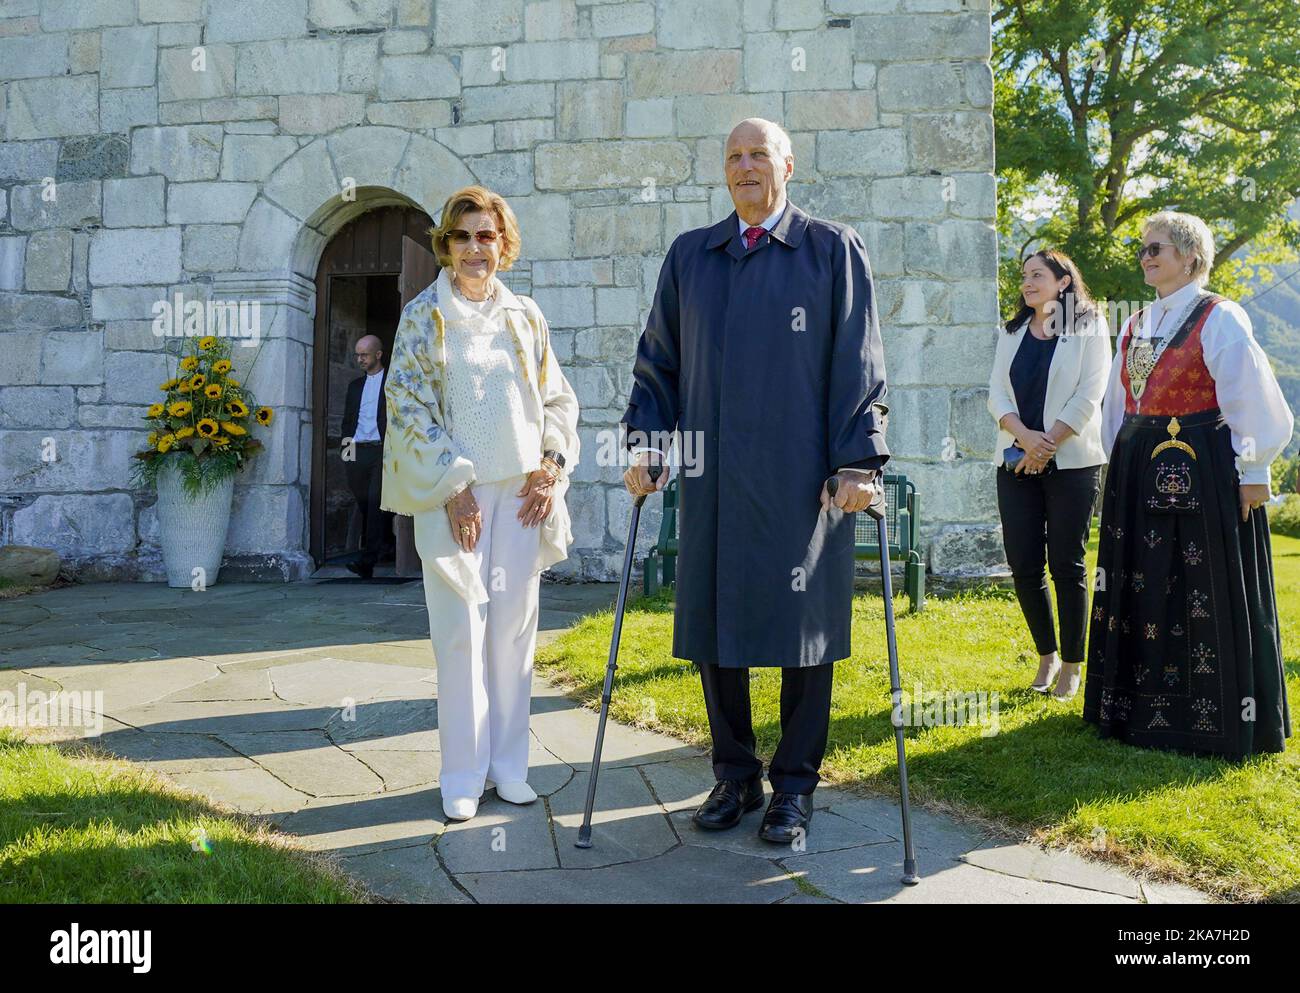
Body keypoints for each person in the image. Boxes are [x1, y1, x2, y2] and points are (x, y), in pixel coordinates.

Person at [622, 118, 889, 844]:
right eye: (733, 155)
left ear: (788, 166)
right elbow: (659, 362)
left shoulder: (831, 249)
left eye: (758, 155)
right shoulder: (691, 256)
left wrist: (859, 462)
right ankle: (735, 773)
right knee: (717, 621)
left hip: (805, 478)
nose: (745, 167)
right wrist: (646, 442)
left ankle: (794, 786)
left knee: (807, 630)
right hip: (712, 477)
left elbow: (858, 362)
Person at [381, 185, 581, 820]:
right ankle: (462, 776)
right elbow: (406, 407)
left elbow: (558, 401)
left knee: (514, 635)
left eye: (486, 236)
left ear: (504, 244)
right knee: (461, 634)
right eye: (463, 236)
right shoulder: (422, 316)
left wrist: (551, 466)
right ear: (446, 244)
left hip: (522, 494)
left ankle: (510, 767)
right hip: (454, 498)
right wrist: (456, 486)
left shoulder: (525, 316)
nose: (475, 248)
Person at [1084, 210, 1293, 758]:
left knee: (1202, 584)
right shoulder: (1135, 322)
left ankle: (1209, 720)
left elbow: (1252, 399)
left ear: (1190, 258)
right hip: (1137, 471)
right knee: (1140, 582)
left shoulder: (1221, 317)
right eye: (1144, 249)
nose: (1146, 257)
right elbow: (1117, 406)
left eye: (1157, 248)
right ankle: (1132, 711)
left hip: (1203, 470)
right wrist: (1119, 465)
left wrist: (1253, 472)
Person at [988, 250, 1110, 700]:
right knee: (1023, 564)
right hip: (1016, 460)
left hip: (1073, 463)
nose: (1027, 282)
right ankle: (1046, 656)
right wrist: (1024, 438)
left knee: (1067, 564)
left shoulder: (1090, 325)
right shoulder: (1013, 330)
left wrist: (1048, 443)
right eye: (1024, 276)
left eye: (1037, 275)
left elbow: (1090, 392)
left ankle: (1074, 666)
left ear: (1063, 282)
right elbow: (996, 393)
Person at [341, 334, 392, 578]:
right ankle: (386, 544)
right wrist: (346, 454)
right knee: (363, 501)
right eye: (357, 355)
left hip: (381, 450)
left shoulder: (392, 382)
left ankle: (368, 560)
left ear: (378, 355)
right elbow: (347, 422)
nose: (359, 359)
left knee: (374, 502)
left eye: (364, 355)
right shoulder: (354, 386)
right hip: (356, 451)